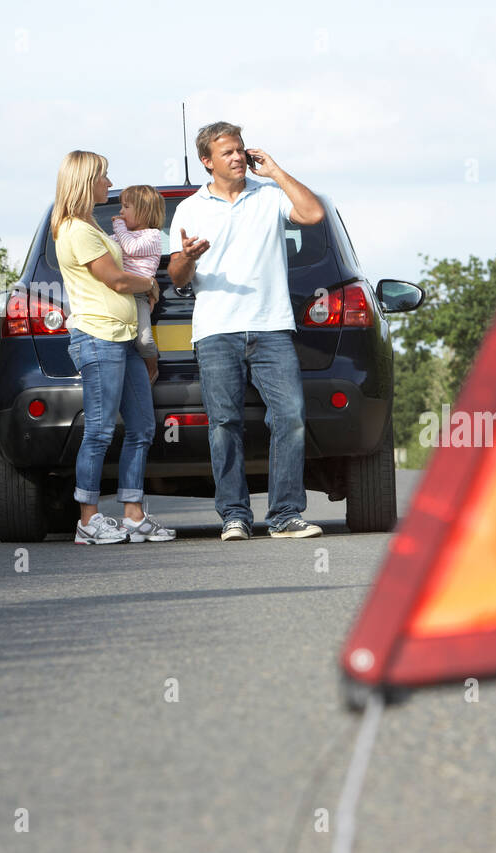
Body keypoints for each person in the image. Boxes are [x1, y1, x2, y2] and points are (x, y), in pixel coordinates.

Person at [167, 121, 325, 541]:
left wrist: (275, 171)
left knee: (290, 417)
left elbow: (312, 213)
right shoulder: (189, 209)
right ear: (207, 162)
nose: (237, 158)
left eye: (240, 150)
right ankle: (234, 515)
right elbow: (178, 277)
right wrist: (187, 257)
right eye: (227, 153)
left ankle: (285, 515)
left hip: (271, 326)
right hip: (217, 330)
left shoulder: (269, 196)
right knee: (224, 423)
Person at [51, 150, 176, 544]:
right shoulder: (76, 230)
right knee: (101, 431)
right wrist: (150, 284)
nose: (109, 183)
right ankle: (88, 520)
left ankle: (134, 516)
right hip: (99, 337)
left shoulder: (94, 228)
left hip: (122, 340)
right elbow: (117, 280)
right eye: (104, 177)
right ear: (86, 181)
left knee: (141, 427)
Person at [111, 185, 165, 384]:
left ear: (144, 211)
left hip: (140, 295)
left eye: (126, 207)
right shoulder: (121, 236)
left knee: (143, 340)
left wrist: (119, 227)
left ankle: (152, 369)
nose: (120, 212)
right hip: (119, 295)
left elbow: (131, 248)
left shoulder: (152, 236)